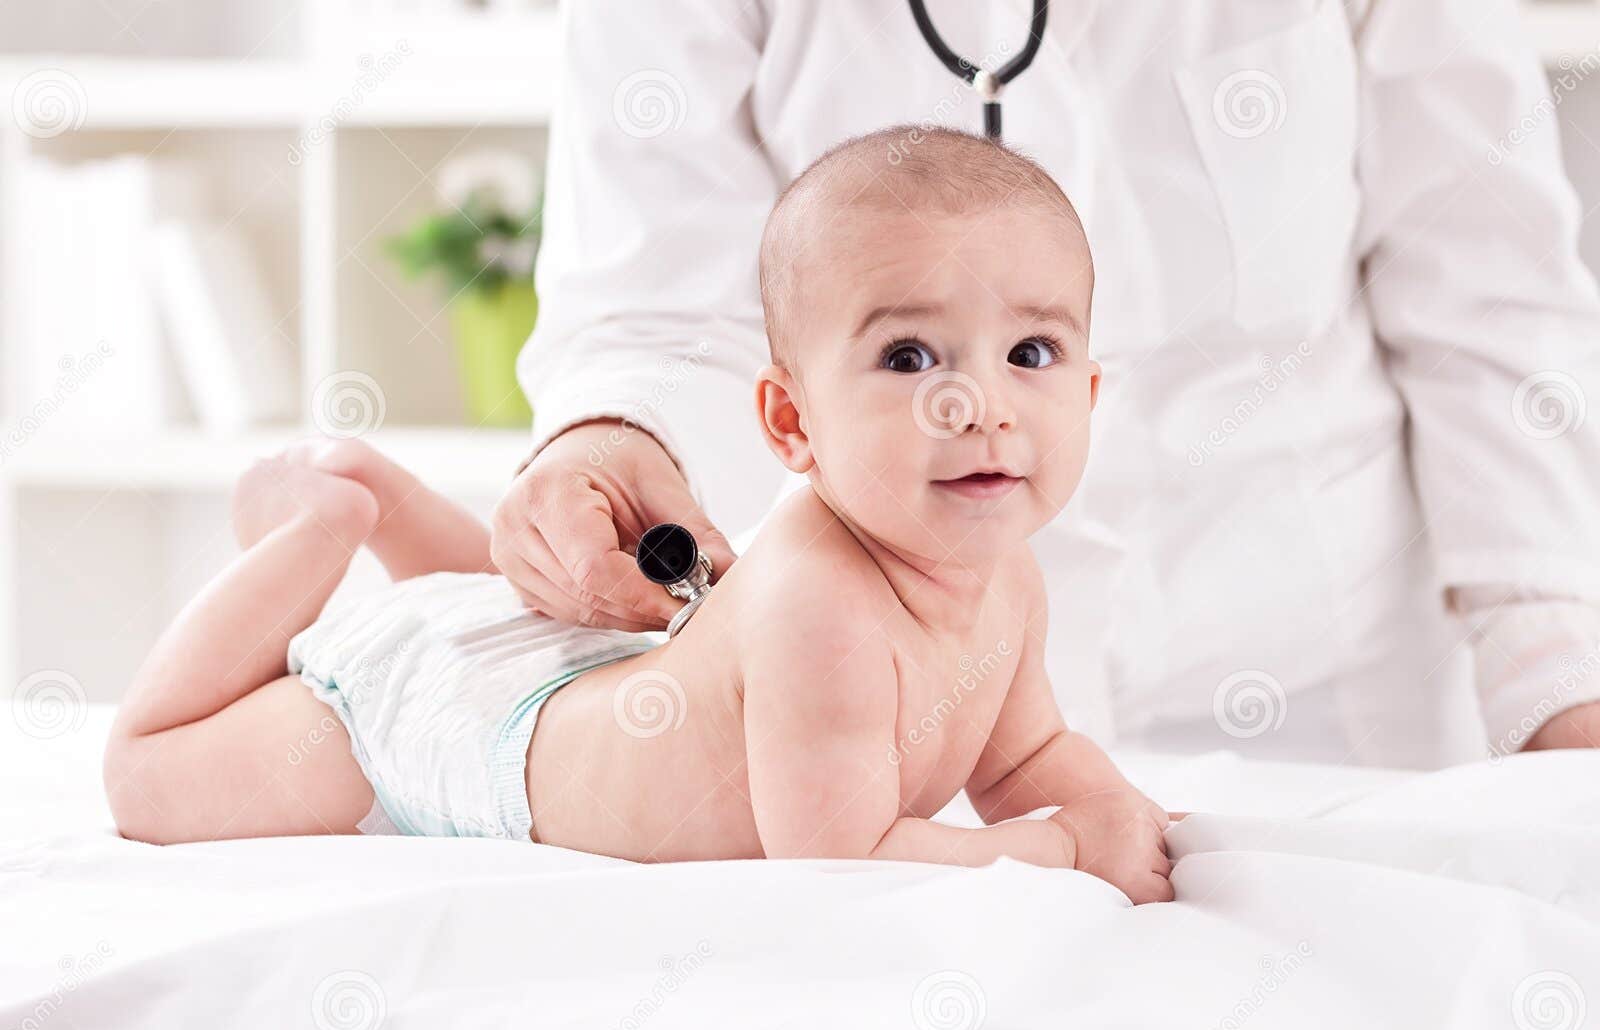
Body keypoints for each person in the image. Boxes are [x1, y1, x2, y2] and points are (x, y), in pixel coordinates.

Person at [494, 0, 1600, 769]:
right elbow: (661, 308)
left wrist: (1551, 656)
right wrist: (613, 438)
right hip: (906, 717)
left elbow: (1487, 279)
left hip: (1337, 698)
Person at [100, 128, 1175, 903]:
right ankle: (324, 529)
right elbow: (844, 863)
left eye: (1030, 353)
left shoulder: (1004, 571)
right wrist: (1067, 854)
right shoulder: (822, 606)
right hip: (461, 739)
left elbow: (1023, 755)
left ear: (1088, 394)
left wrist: (1125, 820)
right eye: (907, 356)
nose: (979, 404)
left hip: (572, 665)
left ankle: (387, 507)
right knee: (148, 780)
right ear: (791, 420)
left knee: (482, 608)